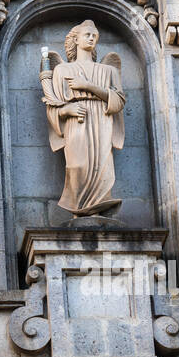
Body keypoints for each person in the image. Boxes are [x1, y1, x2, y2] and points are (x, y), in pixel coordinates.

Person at [40, 19, 126, 215]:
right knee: (77, 165)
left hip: (102, 120)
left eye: (94, 36)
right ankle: (79, 208)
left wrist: (87, 86)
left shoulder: (109, 70)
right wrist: (66, 111)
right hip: (75, 122)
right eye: (87, 35)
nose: (91, 38)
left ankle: (98, 206)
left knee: (102, 168)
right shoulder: (62, 70)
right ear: (75, 40)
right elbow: (53, 105)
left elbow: (119, 101)